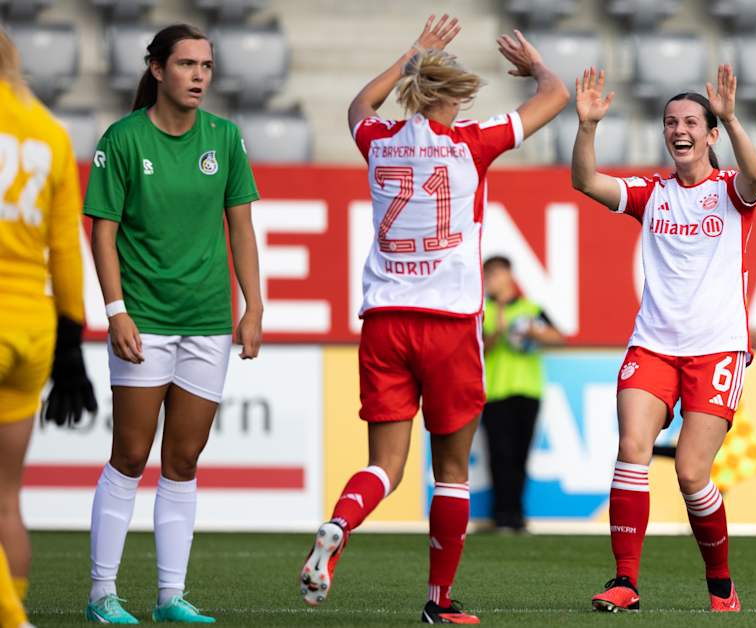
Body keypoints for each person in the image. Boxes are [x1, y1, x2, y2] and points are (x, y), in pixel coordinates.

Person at [298, 15, 567, 624]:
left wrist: (411, 52)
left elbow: (357, 102)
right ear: (454, 98)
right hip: (447, 323)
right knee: (451, 472)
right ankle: (439, 602)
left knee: (384, 467)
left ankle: (341, 521)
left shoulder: (378, 139)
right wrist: (537, 68)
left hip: (385, 321)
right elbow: (555, 98)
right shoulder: (473, 142)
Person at [82, 23, 263, 624]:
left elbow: (241, 227)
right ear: (157, 69)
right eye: (187, 65)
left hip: (207, 322)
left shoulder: (226, 138)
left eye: (206, 66)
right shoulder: (123, 139)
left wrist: (253, 305)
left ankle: (169, 598)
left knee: (183, 461)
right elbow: (101, 232)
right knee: (131, 455)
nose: (199, 77)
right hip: (145, 319)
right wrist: (116, 312)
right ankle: (102, 594)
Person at [571, 64, 756, 613]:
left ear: (709, 135)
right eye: (669, 122)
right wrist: (587, 128)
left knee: (690, 472)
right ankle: (625, 583)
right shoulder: (649, 194)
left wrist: (731, 114)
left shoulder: (730, 192)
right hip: (652, 345)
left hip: (718, 349)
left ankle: (721, 584)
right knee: (631, 450)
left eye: (690, 122)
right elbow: (585, 182)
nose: (678, 130)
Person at [0, 26, 97, 628]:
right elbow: (66, 248)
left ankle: (13, 618)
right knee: (6, 498)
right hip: (33, 328)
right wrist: (71, 344)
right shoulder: (49, 132)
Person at [480, 255, 565, 533]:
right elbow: (478, 348)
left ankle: (516, 517)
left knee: (519, 454)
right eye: (488, 275)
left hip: (528, 390)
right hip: (495, 391)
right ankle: (501, 515)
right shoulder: (482, 311)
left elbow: (557, 337)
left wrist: (533, 333)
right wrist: (498, 331)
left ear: (507, 275)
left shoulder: (530, 309)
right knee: (498, 454)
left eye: (496, 274)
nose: (492, 280)